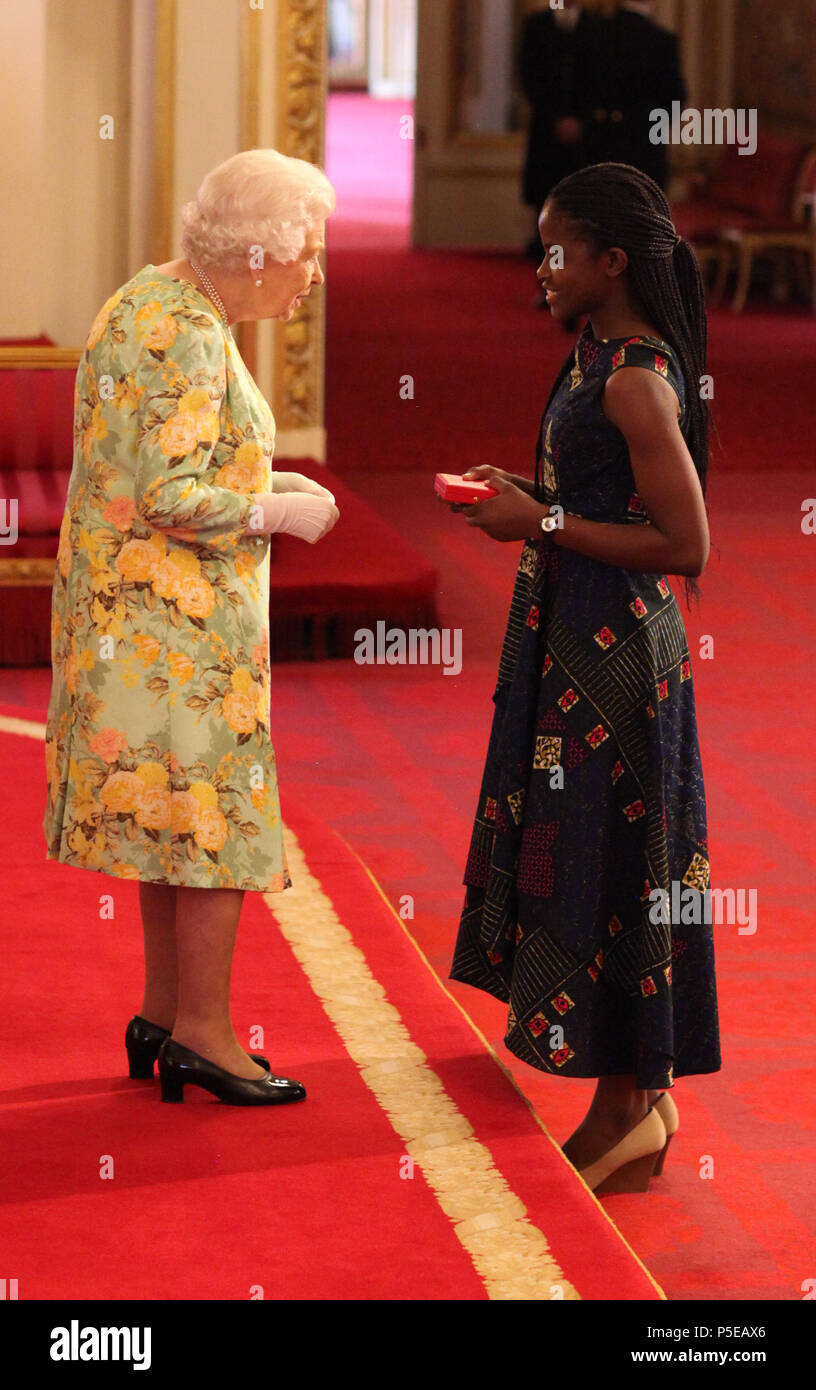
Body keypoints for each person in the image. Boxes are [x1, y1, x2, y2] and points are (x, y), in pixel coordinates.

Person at [444, 162, 721, 1194]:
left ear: (612, 261)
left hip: (620, 667)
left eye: (558, 251)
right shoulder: (590, 354)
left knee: (614, 868)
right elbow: (594, 491)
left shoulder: (636, 378)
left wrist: (547, 522)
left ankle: (625, 1102)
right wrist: (532, 494)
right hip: (572, 641)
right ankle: (640, 1102)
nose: (541, 268)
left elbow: (687, 543)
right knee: (583, 855)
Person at [43, 148, 339, 1106]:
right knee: (209, 824)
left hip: (129, 623)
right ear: (260, 254)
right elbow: (170, 496)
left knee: (169, 819)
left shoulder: (153, 298)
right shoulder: (194, 335)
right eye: (310, 253)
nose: (316, 275)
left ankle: (166, 1014)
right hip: (177, 631)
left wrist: (268, 482)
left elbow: (163, 463)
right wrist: (276, 513)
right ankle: (207, 1034)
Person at [582, 0, 686, 189]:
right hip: (645, 149)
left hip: (598, 144)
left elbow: (581, 89)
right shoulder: (662, 39)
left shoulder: (594, 32)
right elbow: (676, 97)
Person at [519, 1, 594, 261]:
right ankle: (547, 279)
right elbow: (528, 77)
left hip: (587, 139)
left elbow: (602, 80)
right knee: (545, 205)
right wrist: (556, 120)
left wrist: (581, 120)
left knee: (582, 211)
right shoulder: (536, 25)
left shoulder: (597, 26)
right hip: (545, 135)